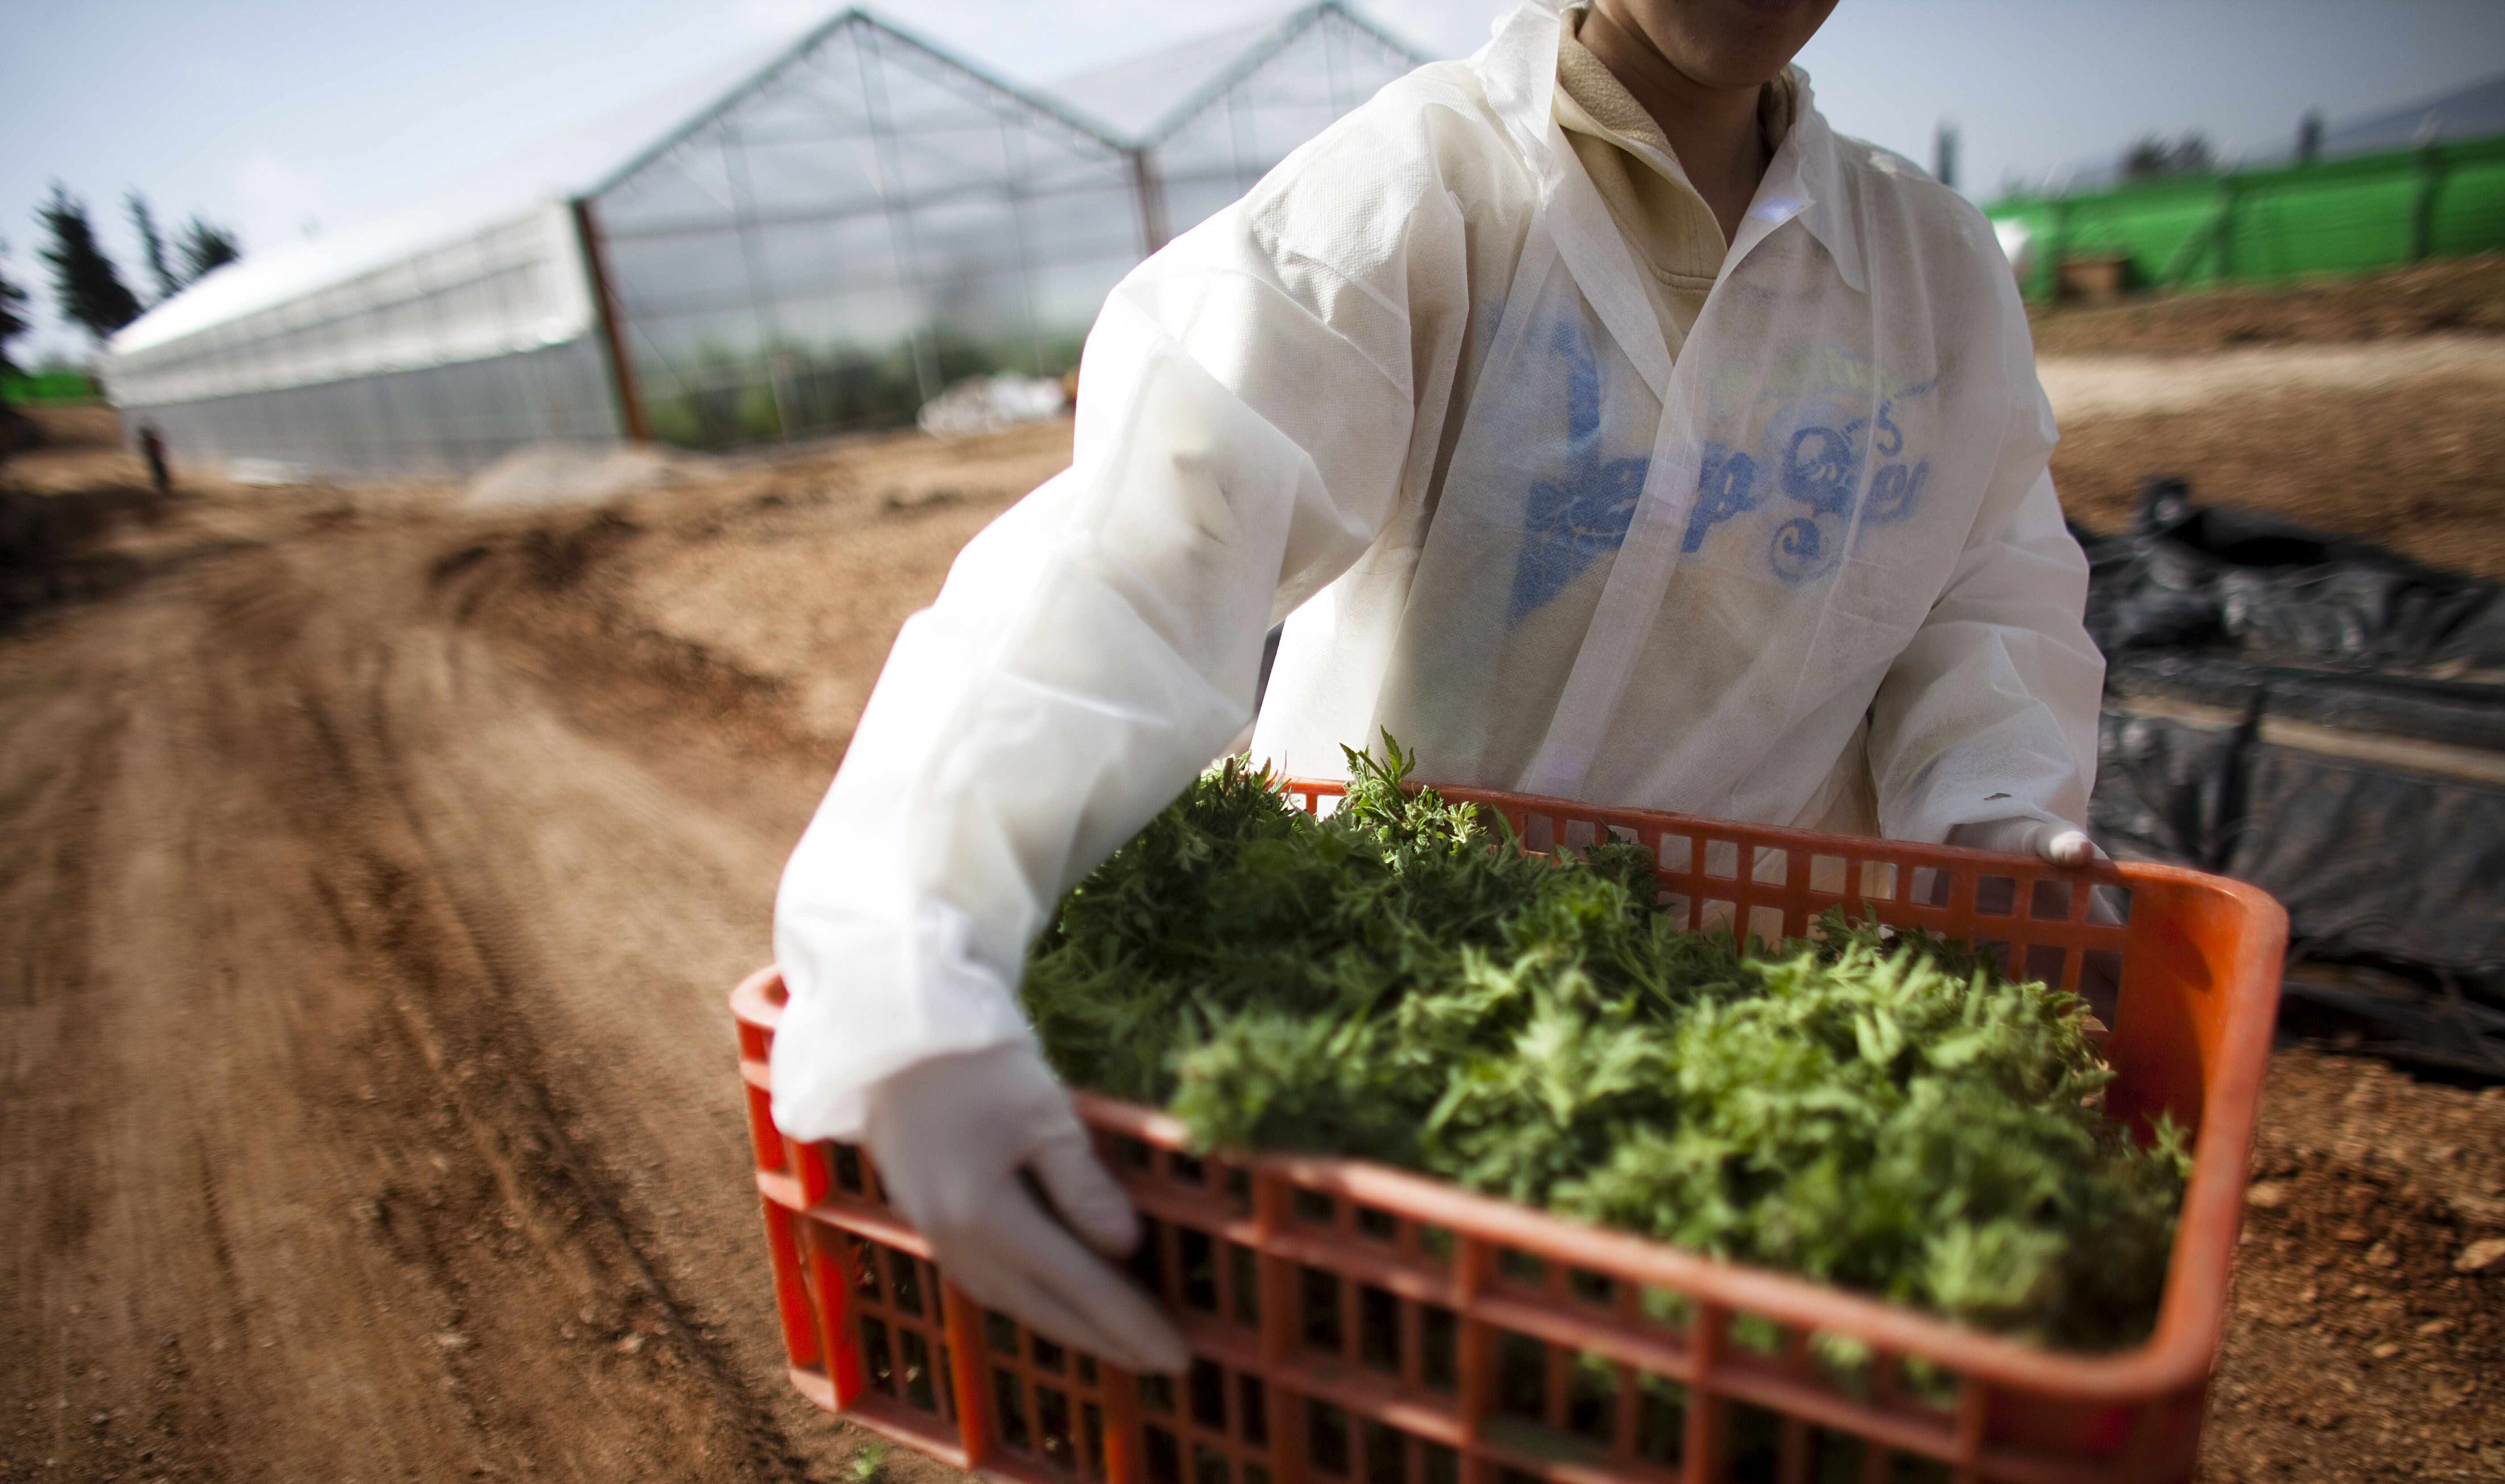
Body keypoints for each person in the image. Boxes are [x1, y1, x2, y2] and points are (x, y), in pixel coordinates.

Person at [770, 0, 2104, 1374]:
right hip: (1381, 1013)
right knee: (1419, 1444)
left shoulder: (1931, 267)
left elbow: (1984, 578)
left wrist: (1999, 797)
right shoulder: (1423, 192)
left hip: (1738, 1024)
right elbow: (1143, 549)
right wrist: (912, 949)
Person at [139, 423, 173, 495]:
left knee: (160, 473)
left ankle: (165, 489)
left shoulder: (150, 440)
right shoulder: (149, 440)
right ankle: (164, 488)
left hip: (157, 458)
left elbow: (154, 448)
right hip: (155, 458)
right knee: (159, 473)